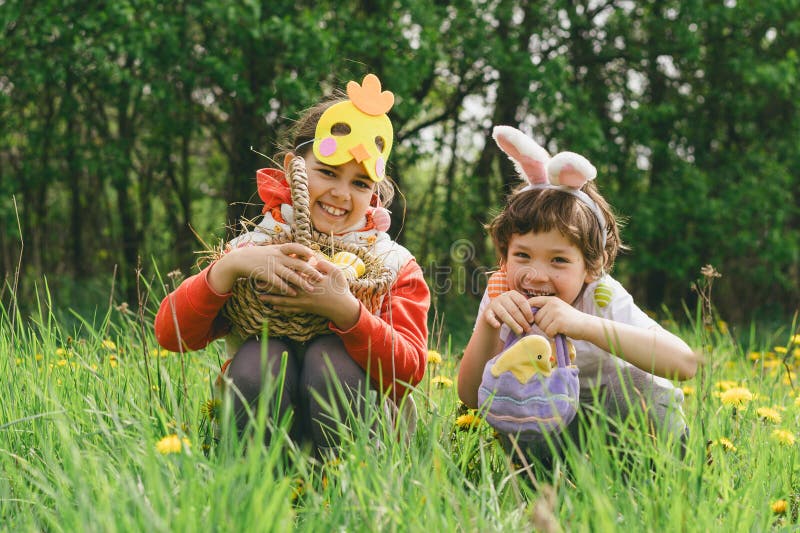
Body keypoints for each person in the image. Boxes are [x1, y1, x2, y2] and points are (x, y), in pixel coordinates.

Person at [154, 74, 430, 457]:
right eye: (328, 172)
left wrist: (347, 312)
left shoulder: (392, 264)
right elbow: (171, 335)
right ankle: (258, 483)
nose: (340, 193)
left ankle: (347, 486)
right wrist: (229, 268)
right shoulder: (256, 248)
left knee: (329, 359)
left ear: (376, 192)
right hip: (260, 420)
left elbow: (411, 372)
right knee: (259, 358)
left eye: (360, 183)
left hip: (360, 430)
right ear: (293, 167)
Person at [458, 125, 697, 466]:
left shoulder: (600, 296)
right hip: (551, 427)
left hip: (617, 422)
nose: (536, 275)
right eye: (522, 256)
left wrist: (583, 325)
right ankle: (548, 487)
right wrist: (488, 324)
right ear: (504, 256)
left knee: (634, 383)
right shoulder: (504, 295)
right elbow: (470, 396)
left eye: (558, 260)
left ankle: (659, 474)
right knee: (518, 386)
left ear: (592, 266)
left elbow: (684, 364)